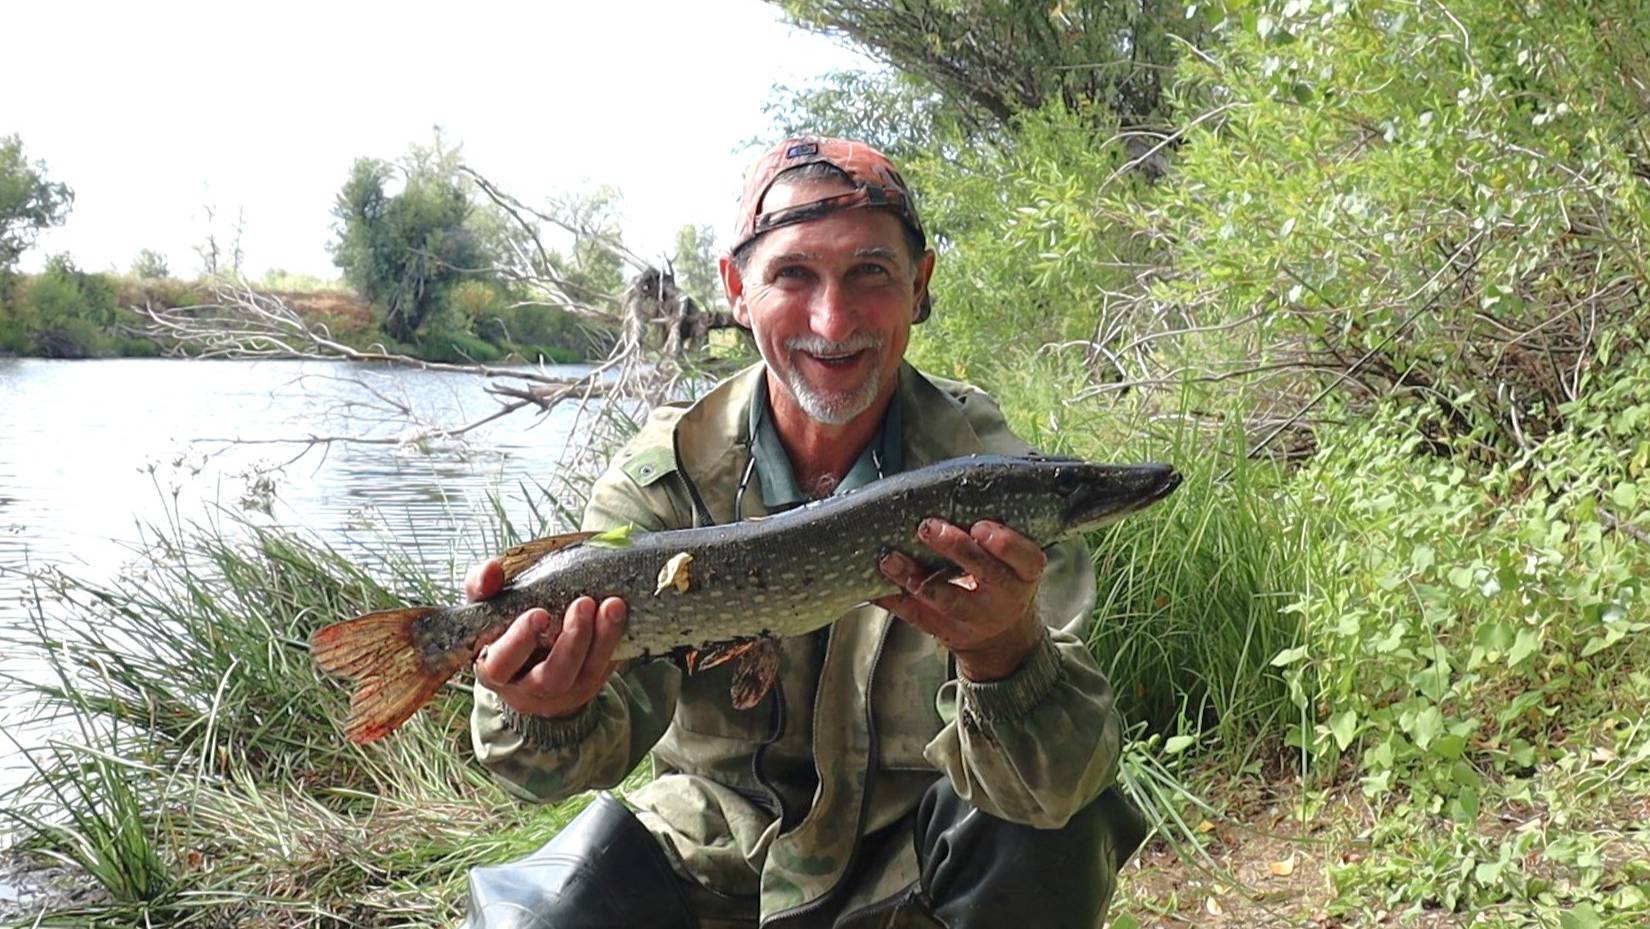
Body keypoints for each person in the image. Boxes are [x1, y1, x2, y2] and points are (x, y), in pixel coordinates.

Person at [459, 138, 1145, 929]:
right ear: (736, 289)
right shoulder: (660, 484)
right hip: (714, 858)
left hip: (914, 864)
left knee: (1055, 828)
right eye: (793, 274)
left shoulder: (993, 481)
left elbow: (1059, 782)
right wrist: (546, 708)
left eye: (870, 273)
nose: (833, 319)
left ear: (918, 287)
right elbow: (570, 763)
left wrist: (1004, 656)